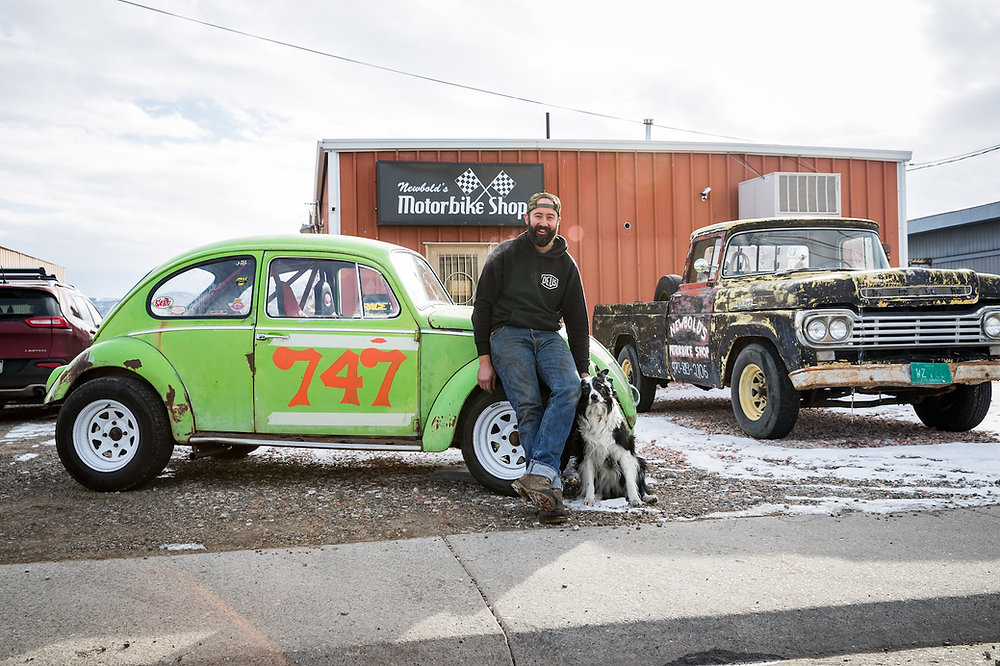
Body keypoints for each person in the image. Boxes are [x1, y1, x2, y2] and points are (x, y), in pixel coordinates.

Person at [472, 191, 590, 524]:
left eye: (549, 218)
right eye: (538, 217)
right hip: (507, 333)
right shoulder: (505, 255)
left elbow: (578, 321)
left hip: (549, 336)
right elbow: (481, 309)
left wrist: (581, 370)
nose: (543, 223)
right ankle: (549, 490)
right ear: (527, 218)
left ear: (558, 222)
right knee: (528, 405)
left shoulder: (566, 265)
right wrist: (484, 358)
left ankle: (539, 475)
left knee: (568, 389)